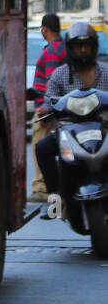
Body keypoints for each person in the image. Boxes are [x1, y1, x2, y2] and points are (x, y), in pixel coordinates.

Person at [33, 20, 108, 217]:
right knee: (42, 148)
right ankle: (56, 201)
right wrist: (45, 111)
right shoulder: (59, 74)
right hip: (70, 133)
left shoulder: (107, 71)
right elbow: (49, 100)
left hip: (103, 131)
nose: (83, 50)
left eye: (87, 45)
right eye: (78, 46)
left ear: (94, 47)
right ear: (70, 48)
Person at [29, 13, 66, 196]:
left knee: (39, 145)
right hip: (58, 107)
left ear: (44, 29)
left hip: (46, 108)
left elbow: (52, 81)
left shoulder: (52, 50)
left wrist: (46, 110)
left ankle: (42, 186)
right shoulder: (62, 47)